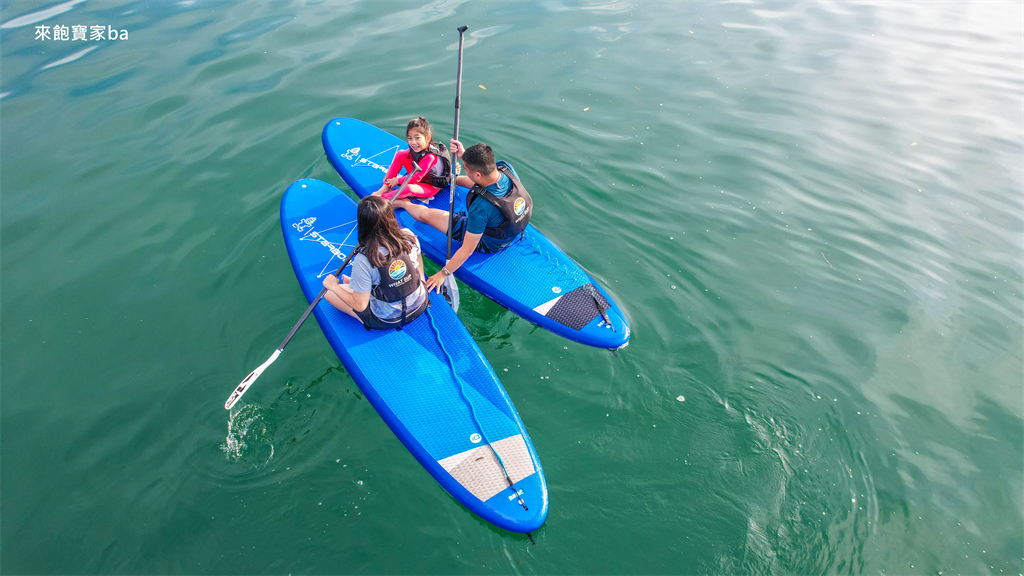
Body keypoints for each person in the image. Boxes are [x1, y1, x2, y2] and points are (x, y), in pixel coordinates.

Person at [394, 140, 533, 293]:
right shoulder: (506, 168)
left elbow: (467, 249)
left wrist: (443, 273)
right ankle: (452, 181)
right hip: (513, 230)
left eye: (465, 169)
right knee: (484, 189)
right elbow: (481, 183)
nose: (465, 170)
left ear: (477, 174)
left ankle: (404, 204)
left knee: (426, 215)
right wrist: (463, 158)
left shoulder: (480, 207)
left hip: (489, 243)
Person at [322, 196, 429, 330]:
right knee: (374, 280)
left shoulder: (365, 259)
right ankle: (361, 287)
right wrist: (422, 281)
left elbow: (360, 306)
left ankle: (360, 289)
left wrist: (333, 286)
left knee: (328, 293)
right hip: (420, 303)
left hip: (387, 319)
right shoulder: (408, 236)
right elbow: (418, 259)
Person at [372, 117, 452, 201]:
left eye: (417, 138)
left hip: (430, 186)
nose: (413, 142)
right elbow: (404, 157)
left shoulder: (430, 157)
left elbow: (416, 178)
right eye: (410, 138)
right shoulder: (420, 148)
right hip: (423, 176)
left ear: (428, 138)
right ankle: (386, 187)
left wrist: (397, 181)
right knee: (400, 154)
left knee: (409, 188)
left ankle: (381, 198)